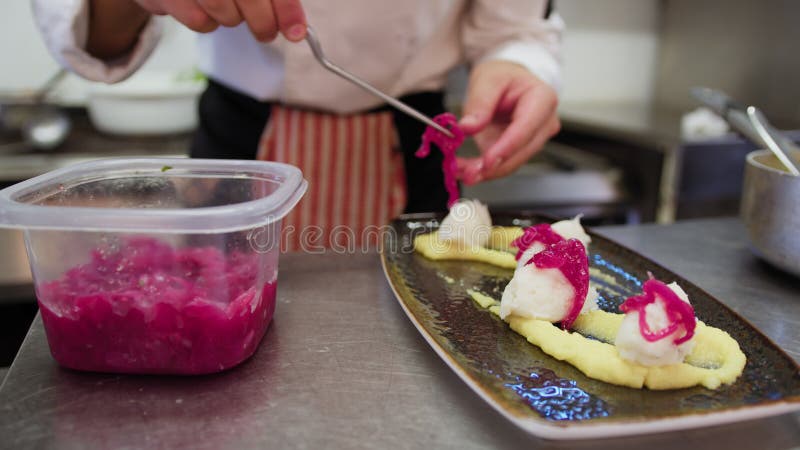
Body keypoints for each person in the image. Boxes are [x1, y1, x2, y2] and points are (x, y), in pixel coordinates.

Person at [33, 0, 563, 250]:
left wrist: (518, 63)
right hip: (236, 151)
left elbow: (514, 27)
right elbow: (93, 34)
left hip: (410, 150)